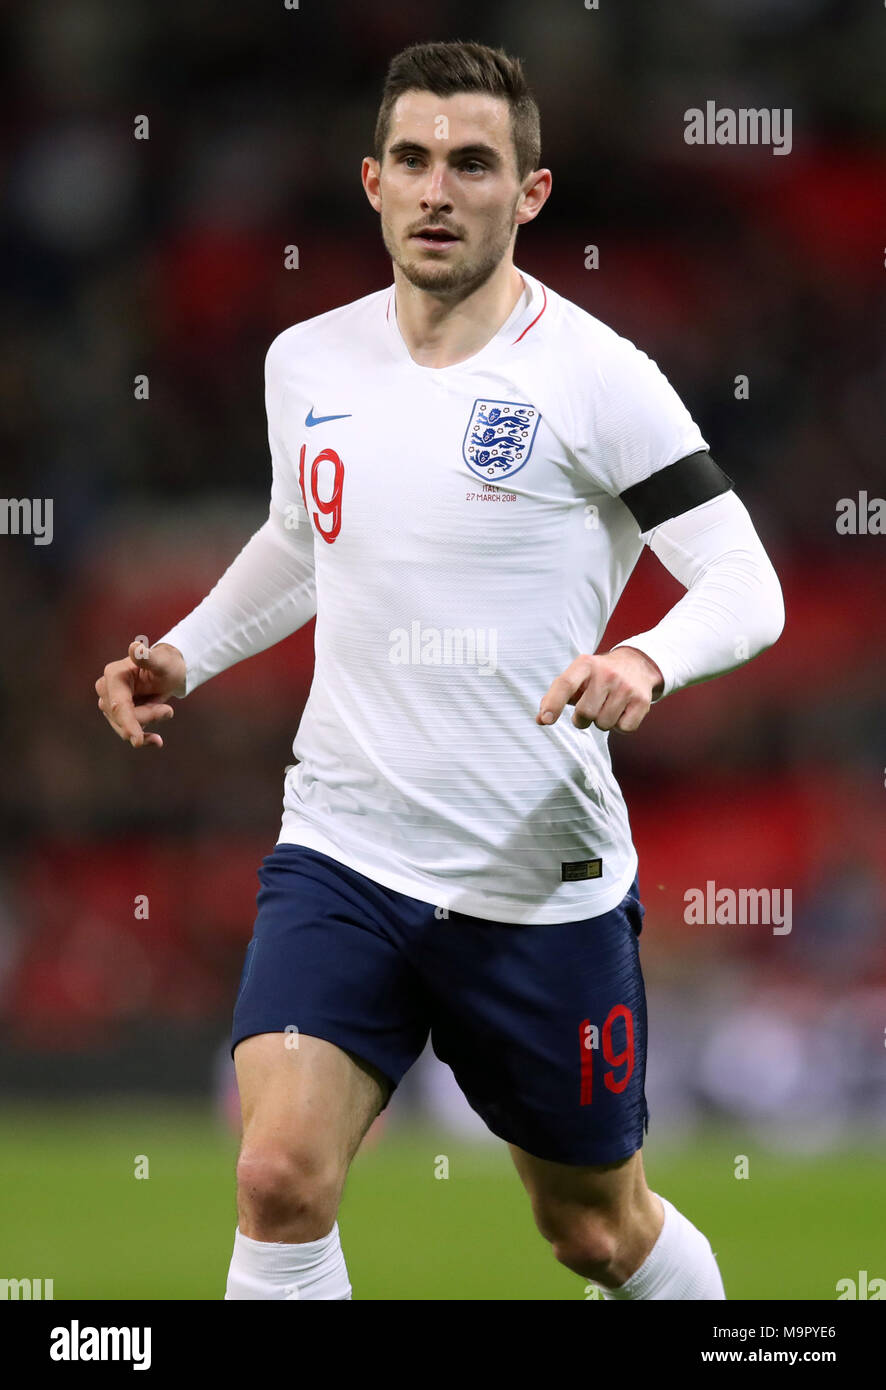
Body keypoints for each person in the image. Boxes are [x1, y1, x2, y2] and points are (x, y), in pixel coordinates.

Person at [95, 39, 784, 1300]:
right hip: (345, 848)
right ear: (370, 180)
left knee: (594, 1230)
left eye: (473, 163)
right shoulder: (306, 361)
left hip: (536, 878)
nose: (436, 188)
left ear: (528, 194)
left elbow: (748, 582)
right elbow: (304, 537)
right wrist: (184, 652)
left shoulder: (598, 377)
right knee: (277, 1177)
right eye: (411, 159)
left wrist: (648, 653)